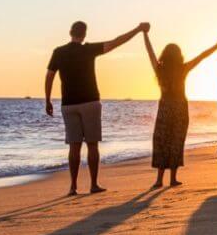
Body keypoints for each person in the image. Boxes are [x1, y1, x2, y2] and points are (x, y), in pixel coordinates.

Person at [45, 20, 147, 196]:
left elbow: (49, 76)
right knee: (92, 144)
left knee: (74, 146)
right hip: (90, 102)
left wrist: (47, 100)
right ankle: (93, 184)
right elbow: (117, 41)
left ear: (70, 32)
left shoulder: (59, 52)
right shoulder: (89, 49)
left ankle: (73, 187)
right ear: (84, 34)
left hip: (68, 104)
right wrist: (138, 29)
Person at [143, 30, 217, 188]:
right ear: (179, 55)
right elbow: (202, 56)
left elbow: (150, 51)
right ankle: (173, 179)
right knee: (176, 142)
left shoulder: (160, 69)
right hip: (180, 107)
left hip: (165, 107)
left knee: (161, 142)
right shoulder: (183, 68)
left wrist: (144, 34)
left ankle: (159, 180)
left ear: (165, 55)